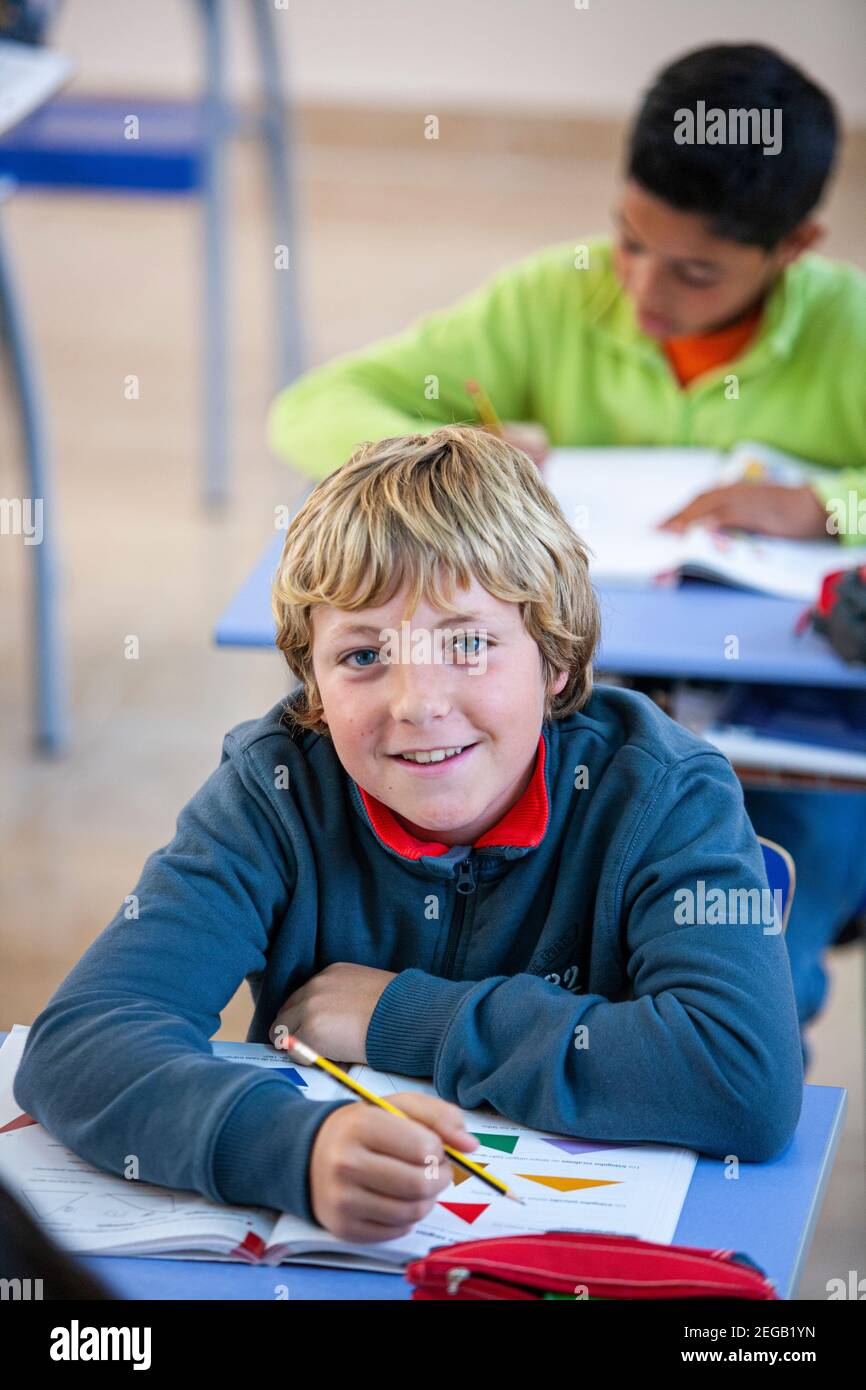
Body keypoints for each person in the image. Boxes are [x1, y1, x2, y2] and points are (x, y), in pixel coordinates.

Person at [14, 428, 803, 1245]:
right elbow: (82, 1040)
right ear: (312, 684)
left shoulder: (663, 795)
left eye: (468, 643)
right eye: (362, 655)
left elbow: (743, 1073)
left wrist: (405, 1016)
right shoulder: (277, 791)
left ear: (556, 657)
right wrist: (294, 1145)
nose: (417, 703)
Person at [266, 43, 866, 1052]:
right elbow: (313, 406)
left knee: (746, 977)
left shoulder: (844, 329)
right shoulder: (554, 297)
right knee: (483, 924)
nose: (640, 288)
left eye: (692, 271)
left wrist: (828, 505)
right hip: (568, 720)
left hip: (786, 751)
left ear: (794, 246)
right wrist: (449, 450)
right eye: (627, 240)